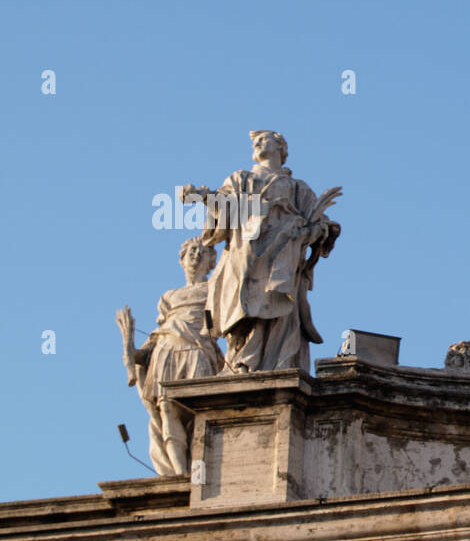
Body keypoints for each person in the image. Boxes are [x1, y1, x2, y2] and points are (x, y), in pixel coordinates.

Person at [191, 130, 341, 373]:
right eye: (255, 141)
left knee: (277, 309)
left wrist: (313, 231)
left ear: (281, 147)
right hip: (247, 255)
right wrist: (206, 199)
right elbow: (223, 211)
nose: (258, 144)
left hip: (283, 257)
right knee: (247, 309)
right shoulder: (240, 179)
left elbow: (322, 225)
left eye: (264, 139)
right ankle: (242, 361)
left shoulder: (297, 188)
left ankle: (274, 362)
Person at [115, 238, 223, 476]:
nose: (195, 255)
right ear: (182, 260)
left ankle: (201, 473)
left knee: (200, 409)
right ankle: (179, 474)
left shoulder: (215, 287)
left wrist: (209, 329)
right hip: (166, 353)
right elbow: (147, 349)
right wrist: (129, 343)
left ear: (211, 261)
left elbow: (219, 322)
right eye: (191, 251)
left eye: (201, 252)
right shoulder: (168, 297)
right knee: (167, 410)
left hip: (198, 351)